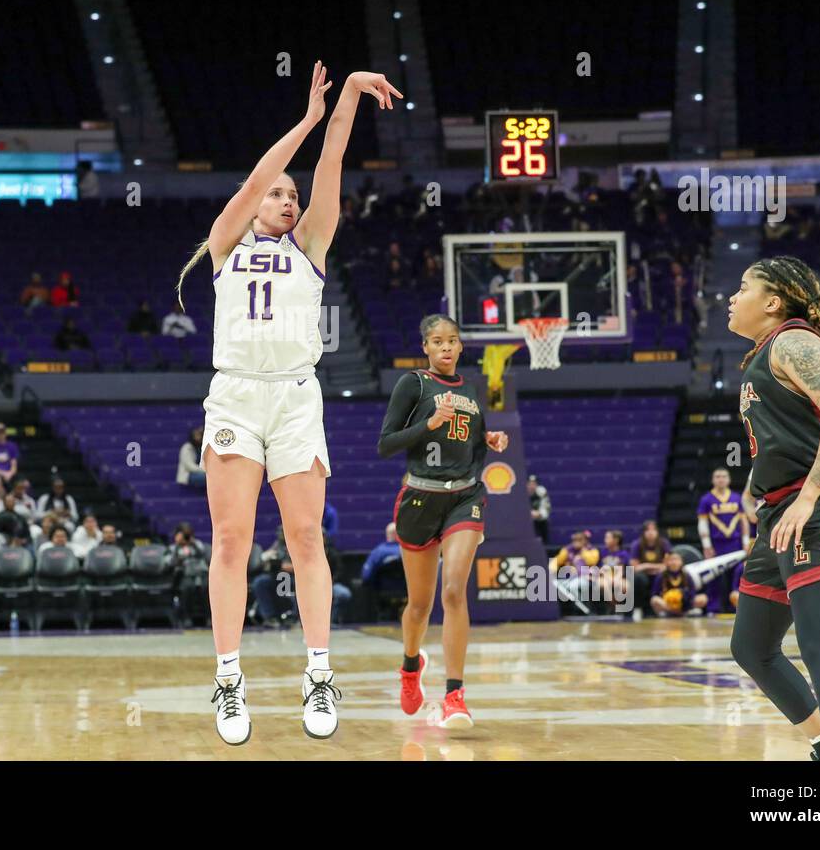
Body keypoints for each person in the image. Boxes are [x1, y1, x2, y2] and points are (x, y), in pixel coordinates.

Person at [174, 62, 399, 745]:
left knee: (306, 538)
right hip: (238, 395)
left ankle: (320, 673)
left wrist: (348, 100)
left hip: (297, 396)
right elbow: (250, 183)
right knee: (233, 541)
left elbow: (332, 161)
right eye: (277, 194)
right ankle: (229, 679)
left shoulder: (311, 246)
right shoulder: (224, 247)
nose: (287, 200)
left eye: (291, 195)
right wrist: (302, 119)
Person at [728, 254, 820, 760]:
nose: (732, 296)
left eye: (742, 288)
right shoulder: (765, 353)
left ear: (772, 301)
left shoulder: (794, 339)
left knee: (818, 642)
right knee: (751, 646)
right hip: (781, 512)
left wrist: (806, 495)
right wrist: (759, 482)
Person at [378, 314, 508, 729]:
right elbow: (385, 444)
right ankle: (410, 667)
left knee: (454, 590)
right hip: (419, 497)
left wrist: (489, 440)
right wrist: (427, 424)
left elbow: (471, 443)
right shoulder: (412, 385)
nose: (447, 347)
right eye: (438, 341)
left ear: (460, 346)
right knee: (419, 605)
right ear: (426, 349)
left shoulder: (470, 389)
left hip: (465, 497)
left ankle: (455, 694)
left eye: (452, 340)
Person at [697, 467, 750, 613]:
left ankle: (736, 606)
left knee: (737, 575)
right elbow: (702, 523)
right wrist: (706, 545)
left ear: (729, 479)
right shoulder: (706, 499)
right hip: (716, 544)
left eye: (724, 476)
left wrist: (745, 542)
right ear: (713, 480)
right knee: (714, 577)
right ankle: (713, 608)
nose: (721, 479)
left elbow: (744, 522)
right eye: (717, 476)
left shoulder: (737, 498)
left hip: (735, 543)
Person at [650, 551, 706, 617]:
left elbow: (692, 592)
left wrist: (683, 596)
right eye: (671, 560)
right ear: (667, 562)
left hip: (684, 604)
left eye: (676, 559)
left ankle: (681, 611)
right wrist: (669, 597)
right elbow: (654, 593)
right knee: (654, 600)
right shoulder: (662, 576)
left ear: (681, 562)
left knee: (703, 598)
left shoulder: (686, 575)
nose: (674, 562)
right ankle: (678, 612)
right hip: (668, 603)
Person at [527, 474, 551, 543]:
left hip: (539, 520)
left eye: (534, 484)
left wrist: (539, 514)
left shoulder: (541, 492)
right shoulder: (521, 493)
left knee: (543, 523)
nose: (531, 486)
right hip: (525, 521)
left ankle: (544, 546)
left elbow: (546, 510)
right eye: (529, 484)